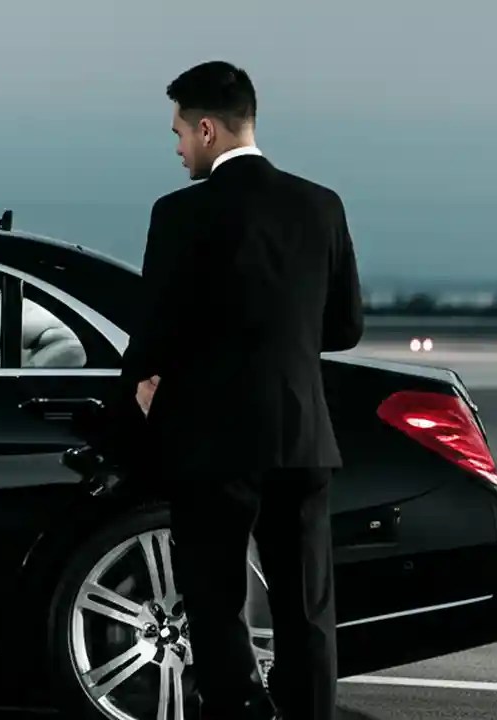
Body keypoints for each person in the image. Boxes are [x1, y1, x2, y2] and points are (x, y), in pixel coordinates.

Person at [117, 60, 364, 720]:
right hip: (301, 436)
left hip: (213, 439)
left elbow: (154, 329)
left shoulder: (180, 213)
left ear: (206, 129)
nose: (177, 148)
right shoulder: (321, 204)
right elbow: (345, 328)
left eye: (178, 133)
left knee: (216, 600)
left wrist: (141, 385)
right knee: (307, 607)